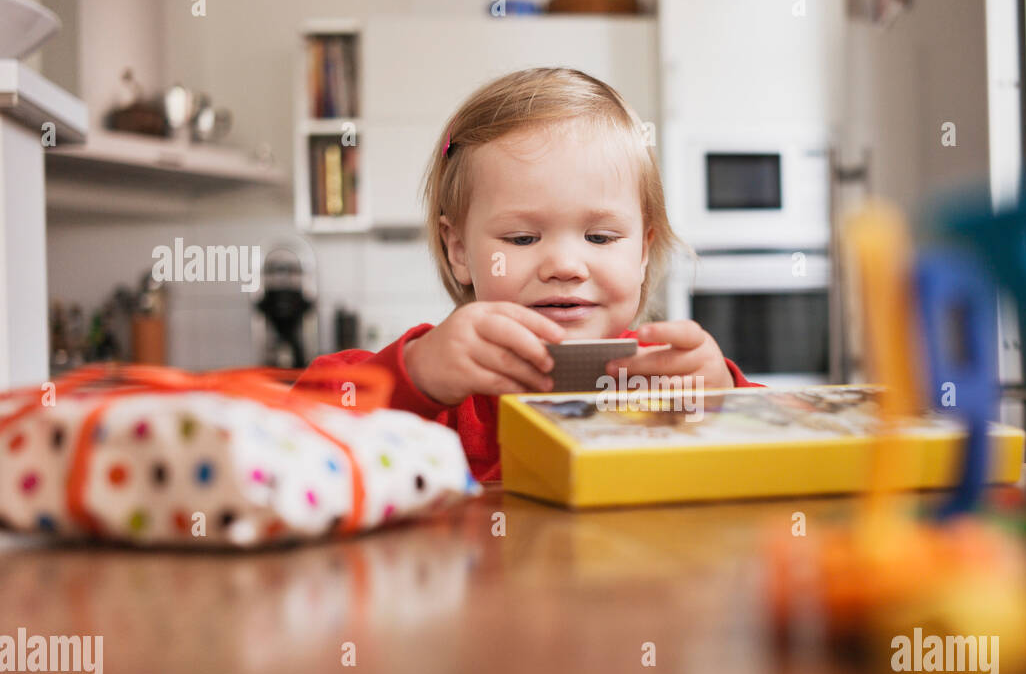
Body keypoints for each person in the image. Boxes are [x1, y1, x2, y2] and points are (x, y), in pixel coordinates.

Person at [297, 67, 762, 481]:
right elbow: (288, 433)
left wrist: (728, 398)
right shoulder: (442, 375)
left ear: (643, 251)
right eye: (522, 239)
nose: (563, 266)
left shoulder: (669, 378)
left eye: (600, 238)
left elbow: (798, 447)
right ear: (458, 249)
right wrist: (416, 374)